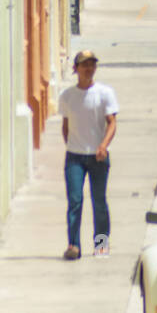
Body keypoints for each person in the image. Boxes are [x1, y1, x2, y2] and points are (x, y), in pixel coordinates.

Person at [59, 50, 118, 259]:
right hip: (74, 157)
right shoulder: (67, 96)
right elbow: (65, 126)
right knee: (75, 200)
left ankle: (101, 245)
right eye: (84, 65)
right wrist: (72, 145)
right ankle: (73, 245)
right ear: (76, 69)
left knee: (99, 201)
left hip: (98, 157)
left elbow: (112, 123)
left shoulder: (105, 93)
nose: (89, 68)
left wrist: (103, 145)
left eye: (92, 64)